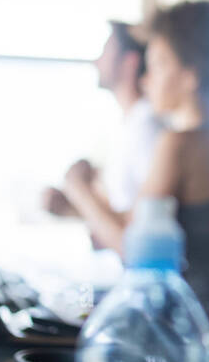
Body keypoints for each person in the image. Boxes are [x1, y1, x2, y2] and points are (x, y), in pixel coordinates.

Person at [59, 1, 209, 350]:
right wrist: (207, 253)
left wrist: (79, 189)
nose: (146, 79)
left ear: (191, 75)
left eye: (159, 64)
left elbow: (132, 250)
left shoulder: (176, 145)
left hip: (183, 340)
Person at [43, 20, 164, 222]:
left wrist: (78, 190)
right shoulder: (129, 125)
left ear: (129, 63)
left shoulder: (147, 128)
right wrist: (72, 205)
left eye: (106, 52)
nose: (96, 62)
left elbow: (141, 228)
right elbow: (122, 214)